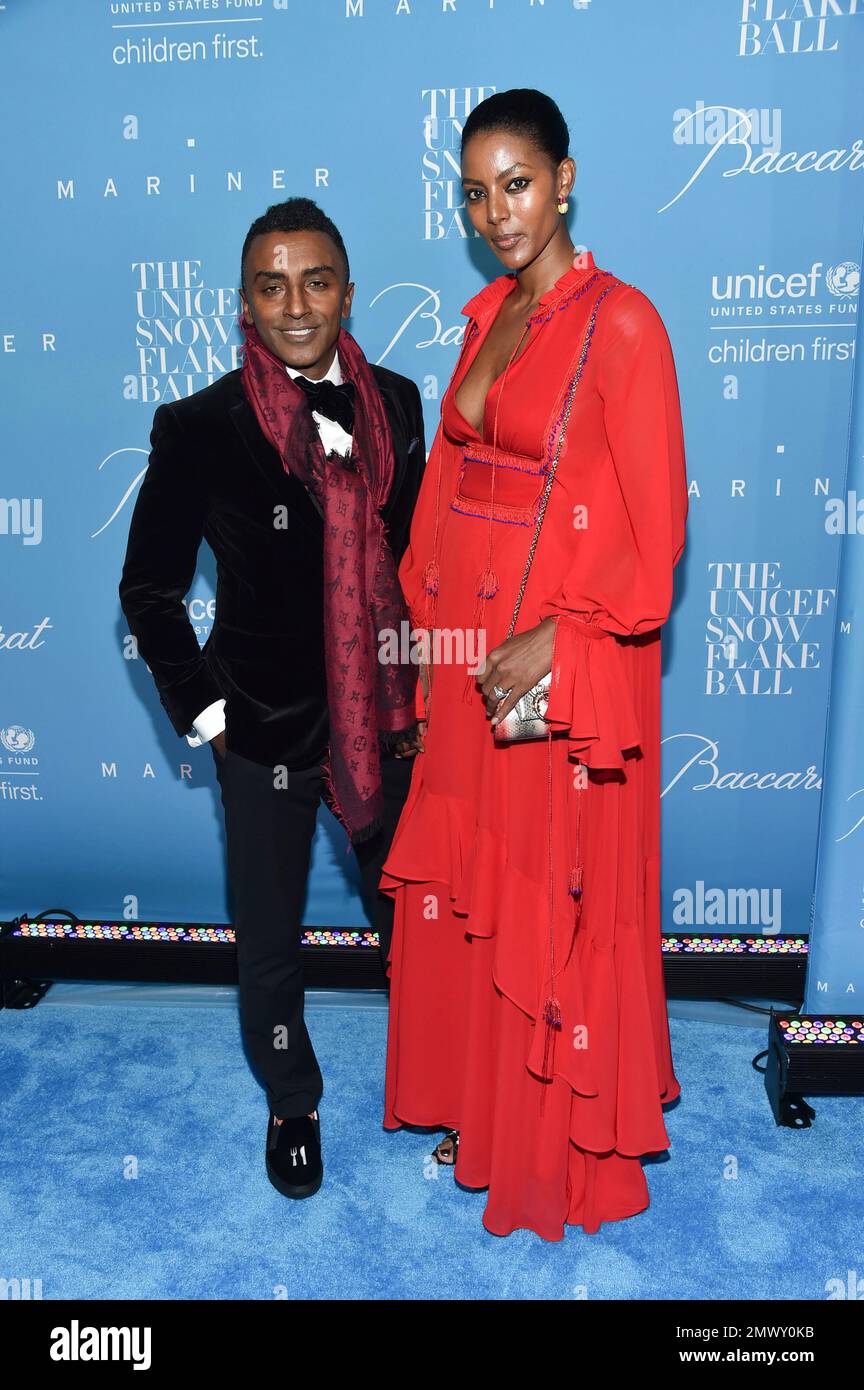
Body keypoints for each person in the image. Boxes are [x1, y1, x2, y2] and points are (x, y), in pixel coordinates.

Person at [378, 90, 689, 1241]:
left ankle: (544, 1142)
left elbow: (653, 547)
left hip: (543, 673)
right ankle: (481, 1104)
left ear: (565, 178)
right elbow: (457, 484)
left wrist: (556, 631)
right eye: (475, 190)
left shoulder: (625, 325)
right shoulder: (489, 313)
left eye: (516, 182)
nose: (496, 211)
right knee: (477, 896)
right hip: (466, 657)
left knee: (537, 895)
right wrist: (422, 645)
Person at [119, 198, 425, 1202]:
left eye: (316, 279)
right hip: (265, 728)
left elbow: (417, 565)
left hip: (388, 718)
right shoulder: (202, 426)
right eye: (271, 284)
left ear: (347, 286)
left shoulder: (400, 403)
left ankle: (440, 1082)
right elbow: (148, 591)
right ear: (243, 304)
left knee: (419, 925)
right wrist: (211, 716)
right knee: (270, 942)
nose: (297, 304)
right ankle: (293, 1104)